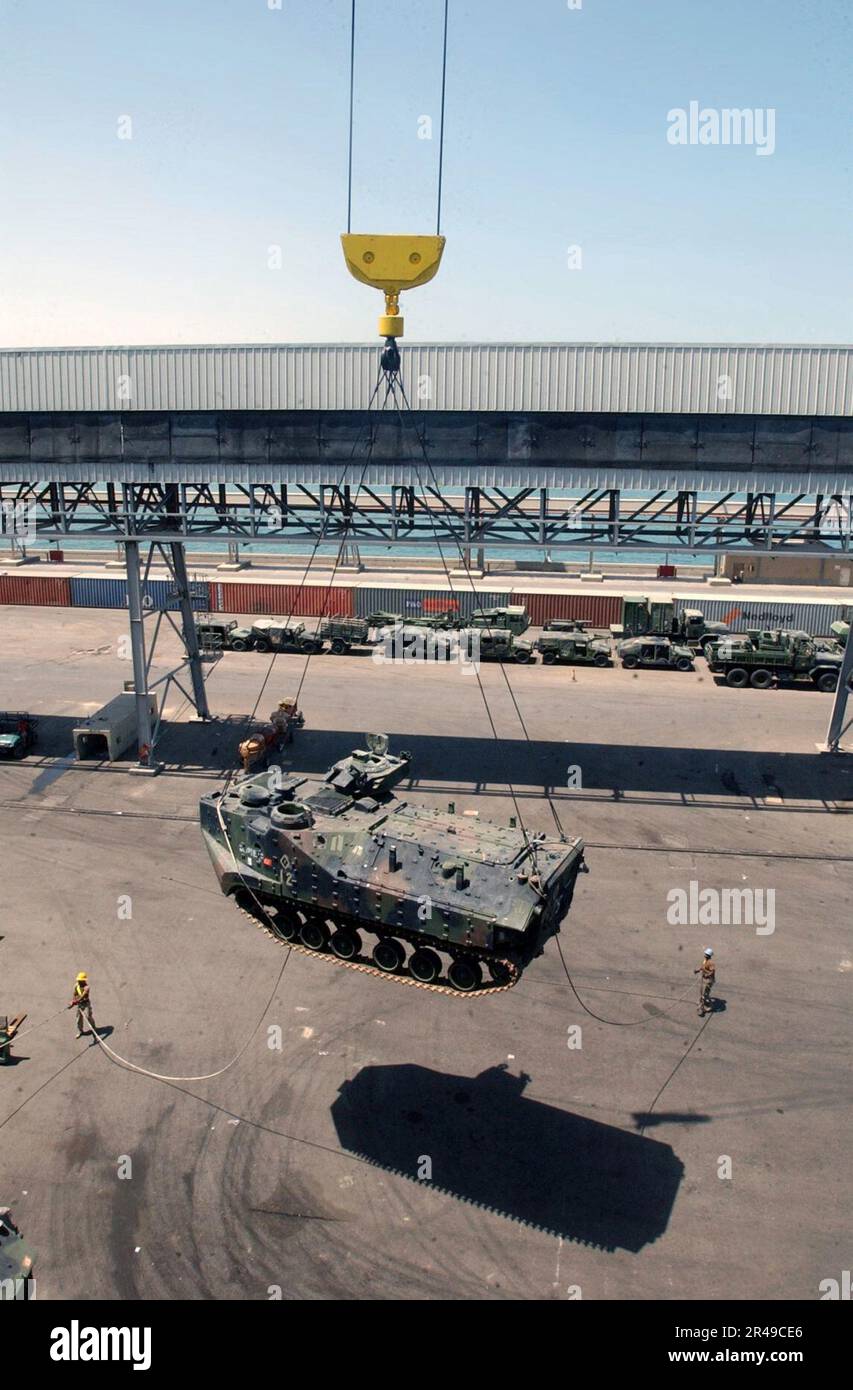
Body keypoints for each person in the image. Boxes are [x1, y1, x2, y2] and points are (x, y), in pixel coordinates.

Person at [68, 972, 97, 1039]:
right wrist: (73, 1001)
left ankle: (94, 1029)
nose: (79, 981)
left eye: (80, 980)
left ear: (84, 980)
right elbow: (75, 994)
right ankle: (80, 1031)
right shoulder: (76, 985)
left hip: (86, 1004)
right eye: (78, 980)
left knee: (88, 1017)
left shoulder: (87, 987)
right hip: (79, 1004)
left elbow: (82, 996)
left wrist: (76, 1001)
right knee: (78, 1018)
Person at [694, 948, 715, 1017]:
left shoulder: (711, 963)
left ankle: (711, 1007)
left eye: (706, 954)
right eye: (705, 954)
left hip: (709, 981)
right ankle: (702, 1002)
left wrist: (706, 975)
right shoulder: (705, 961)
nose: (705, 955)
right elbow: (702, 967)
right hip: (705, 979)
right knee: (702, 993)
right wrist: (697, 970)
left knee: (706, 995)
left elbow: (712, 972)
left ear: (709, 955)